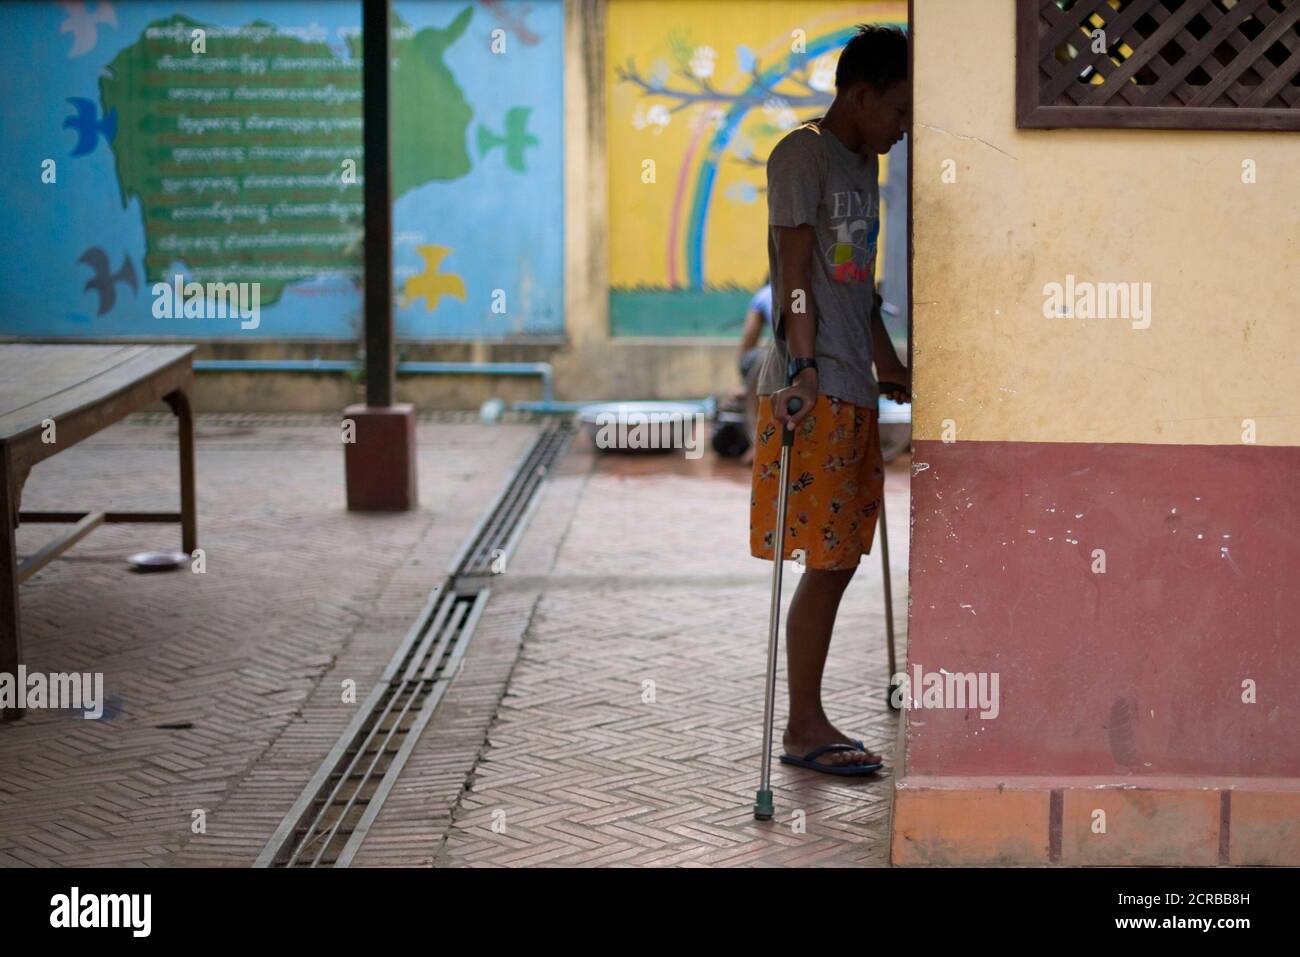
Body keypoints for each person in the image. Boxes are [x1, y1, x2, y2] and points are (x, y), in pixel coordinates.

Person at [749, 24, 911, 774]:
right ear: (861, 93)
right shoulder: (802, 156)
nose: (904, 127)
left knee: (842, 555)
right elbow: (794, 273)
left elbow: (858, 288)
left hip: (854, 380)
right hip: (813, 386)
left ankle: (807, 721)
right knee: (827, 557)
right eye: (899, 110)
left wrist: (892, 367)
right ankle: (803, 725)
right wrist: (805, 367)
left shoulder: (861, 164)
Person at [736, 278, 772, 465]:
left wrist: (744, 383)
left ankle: (756, 444)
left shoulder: (763, 294)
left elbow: (749, 337)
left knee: (754, 362)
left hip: (781, 354)